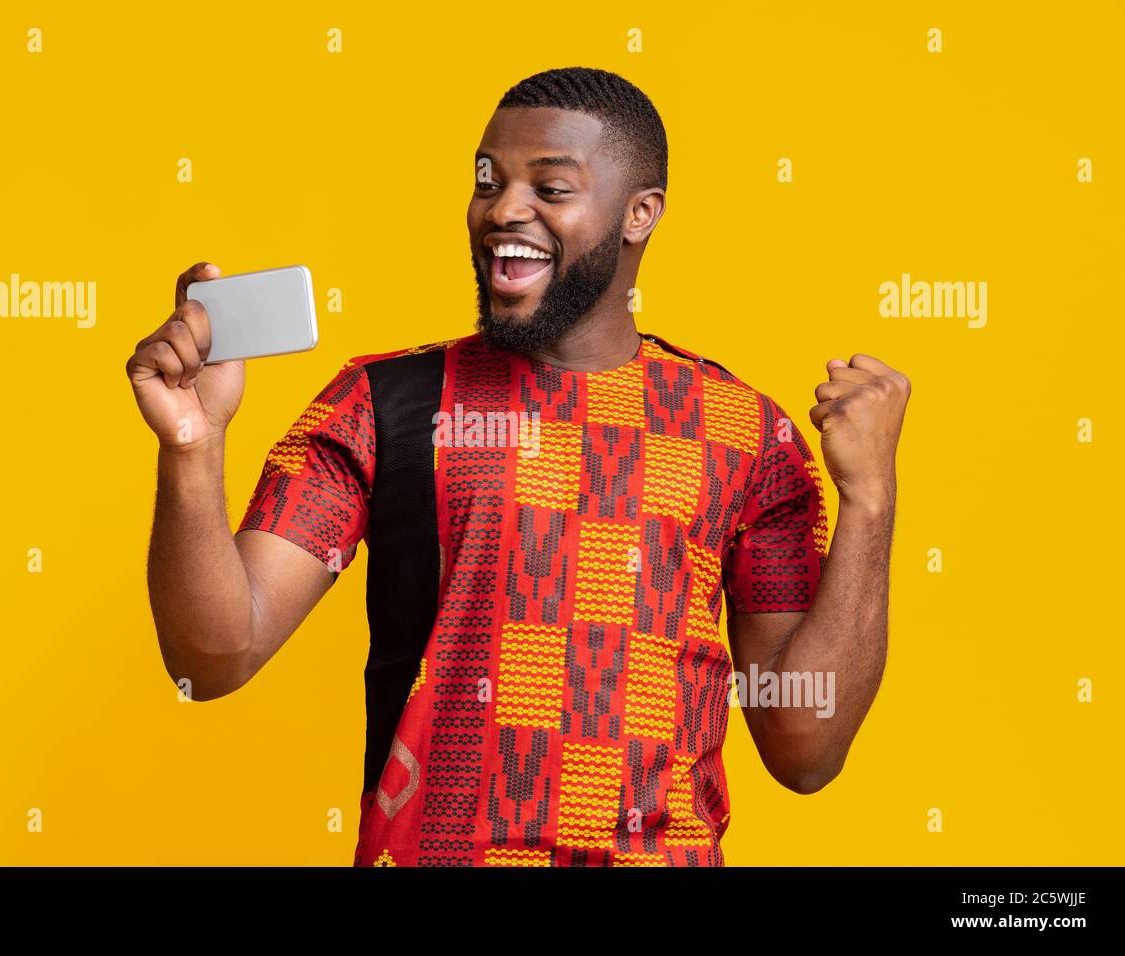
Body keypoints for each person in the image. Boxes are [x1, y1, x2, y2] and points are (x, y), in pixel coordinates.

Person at [125, 66, 911, 867]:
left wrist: (870, 500)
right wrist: (192, 446)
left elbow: (804, 748)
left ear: (640, 213)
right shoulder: (383, 404)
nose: (503, 209)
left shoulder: (745, 433)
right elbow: (212, 659)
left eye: (550, 188)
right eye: (487, 181)